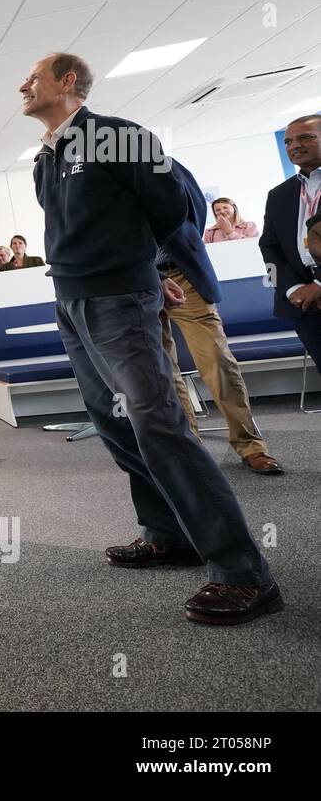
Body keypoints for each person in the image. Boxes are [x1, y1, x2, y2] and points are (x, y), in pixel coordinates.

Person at [22, 50, 280, 626]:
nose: (23, 86)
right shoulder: (46, 160)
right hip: (73, 301)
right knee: (115, 426)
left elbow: (178, 202)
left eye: (33, 78)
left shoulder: (116, 137)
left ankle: (244, 572)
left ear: (67, 82)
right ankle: (168, 534)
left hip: (117, 300)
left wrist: (156, 270)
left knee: (159, 426)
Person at [158, 164, 283, 475]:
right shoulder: (98, 180)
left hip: (183, 275)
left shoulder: (164, 167)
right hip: (139, 283)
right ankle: (191, 453)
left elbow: (195, 212)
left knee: (218, 363)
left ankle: (251, 445)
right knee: (162, 372)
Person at [261, 114, 321, 376]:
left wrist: (319, 286)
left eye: (305, 137)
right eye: (288, 142)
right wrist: (293, 288)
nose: (294, 146)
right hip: (303, 303)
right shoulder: (279, 195)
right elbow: (269, 247)